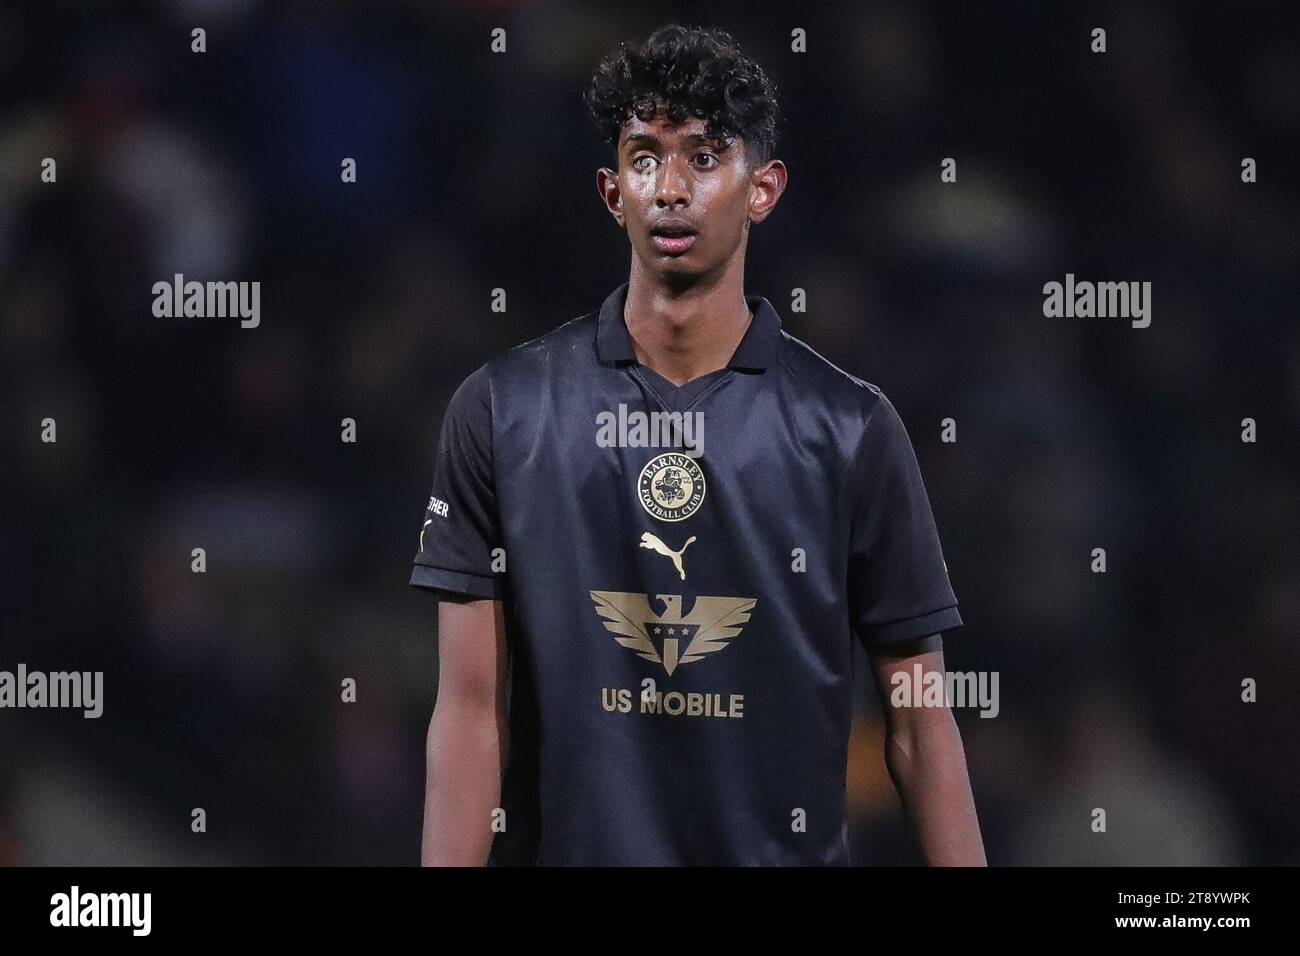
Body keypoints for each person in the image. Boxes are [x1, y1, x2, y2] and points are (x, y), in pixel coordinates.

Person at [412, 23, 985, 866]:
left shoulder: (851, 429)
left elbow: (922, 726)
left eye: (706, 156)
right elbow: (467, 713)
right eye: (646, 158)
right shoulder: (502, 411)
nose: (671, 189)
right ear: (613, 192)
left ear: (764, 188)